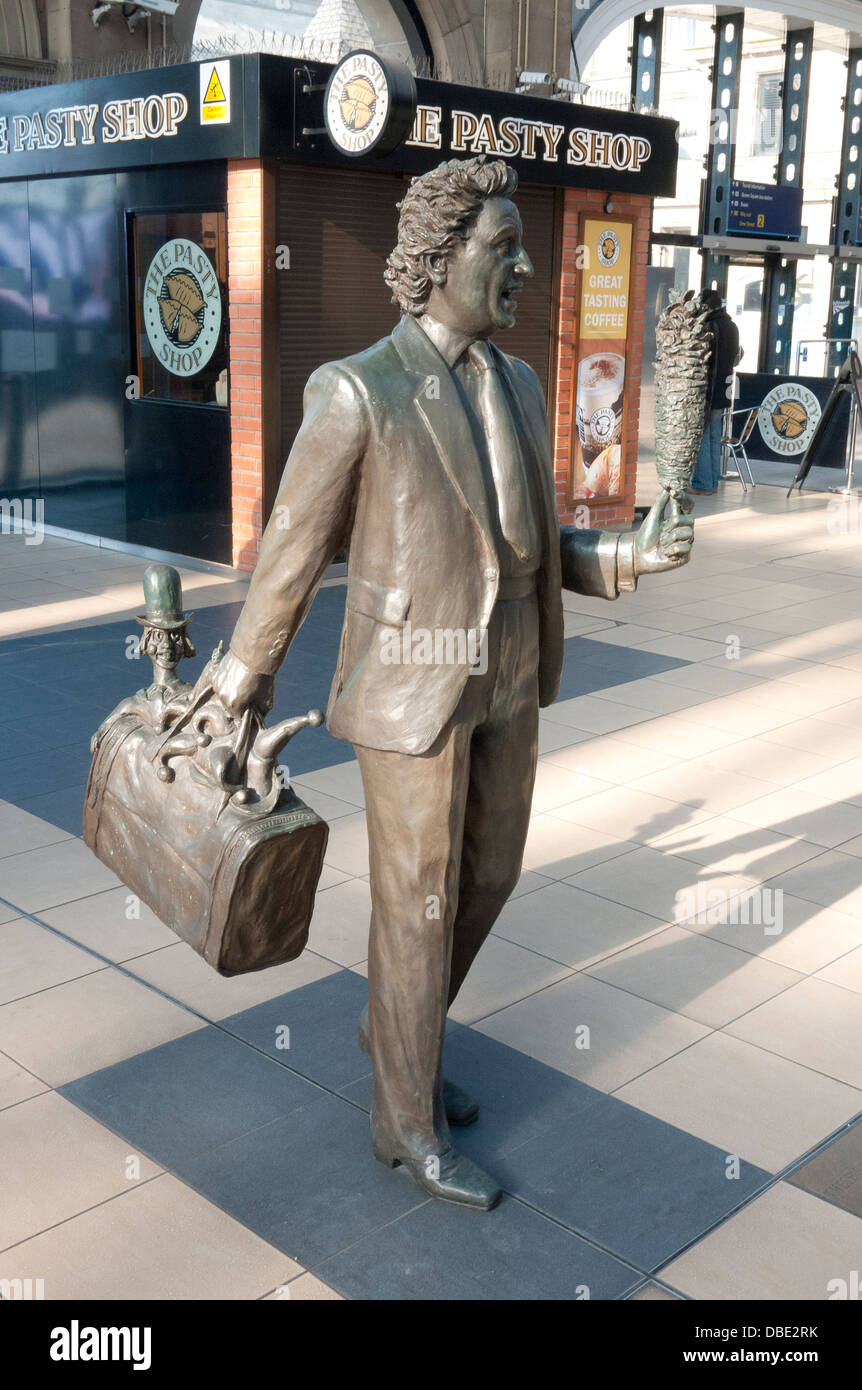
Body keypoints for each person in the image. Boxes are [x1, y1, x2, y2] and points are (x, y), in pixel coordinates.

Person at [212, 155, 694, 1211]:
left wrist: (623, 556)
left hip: (512, 667)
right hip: (414, 685)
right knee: (420, 904)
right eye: (500, 248)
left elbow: (530, 539)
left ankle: (400, 1035)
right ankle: (406, 1120)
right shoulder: (359, 388)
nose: (521, 266)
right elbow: (291, 547)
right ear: (437, 259)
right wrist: (241, 677)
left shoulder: (518, 382)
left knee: (487, 880)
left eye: (521, 246)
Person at [689, 287, 742, 494]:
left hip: (708, 390)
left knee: (701, 436)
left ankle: (703, 483)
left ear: (706, 307)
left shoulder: (709, 326)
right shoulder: (732, 326)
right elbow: (735, 358)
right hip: (724, 390)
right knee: (713, 437)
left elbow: (705, 362)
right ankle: (712, 482)